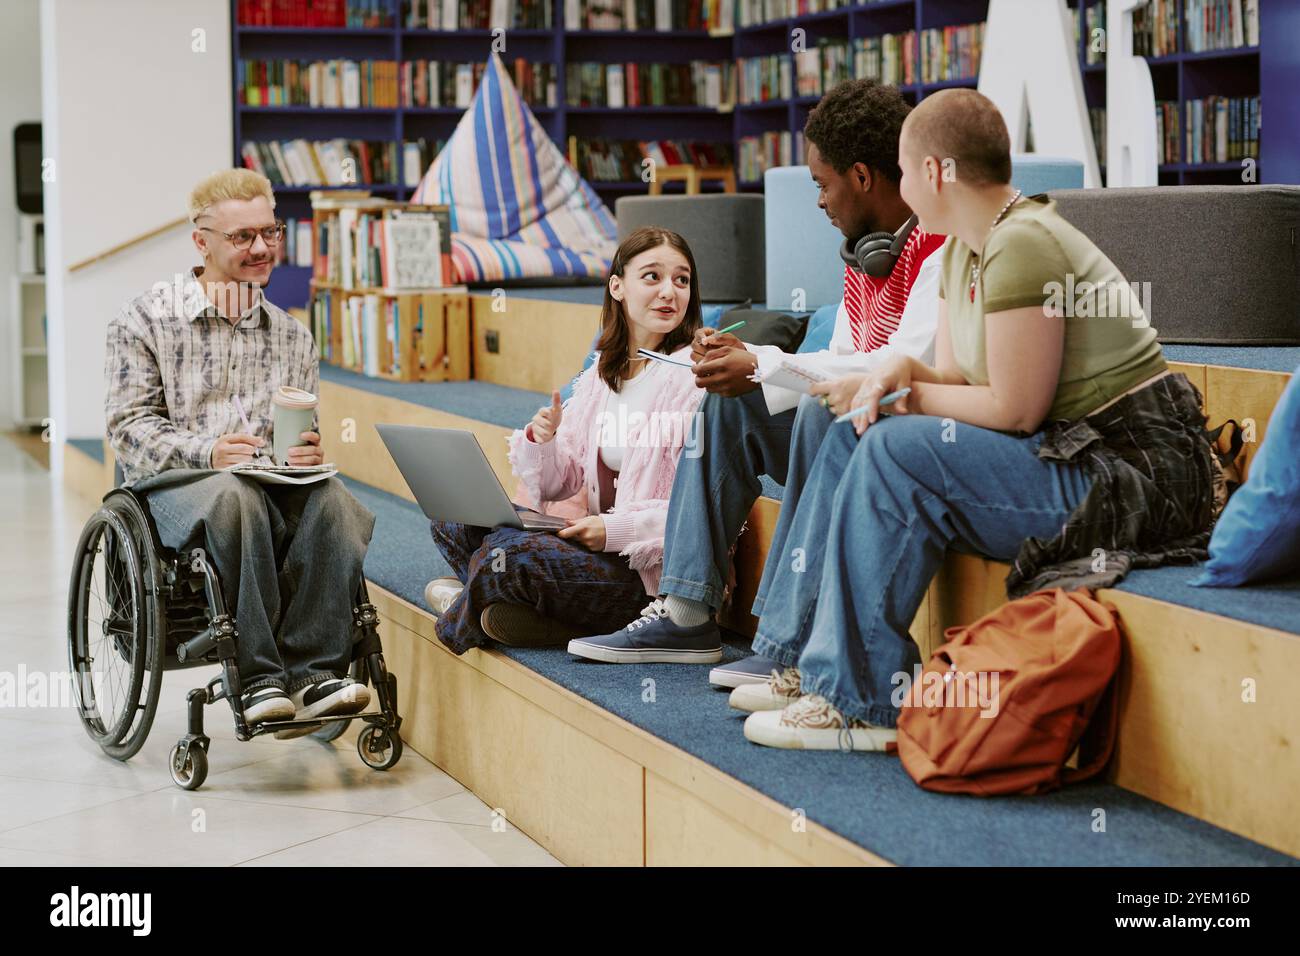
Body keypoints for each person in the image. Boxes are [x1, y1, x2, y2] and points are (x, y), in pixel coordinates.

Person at [736, 88, 1217, 750]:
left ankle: (864, 699)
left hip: (1126, 473)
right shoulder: (962, 248)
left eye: (905, 171)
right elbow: (959, 381)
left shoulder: (1025, 244)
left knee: (892, 445)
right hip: (1062, 454)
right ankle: (802, 658)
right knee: (841, 419)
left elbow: (1015, 411)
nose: (901, 186)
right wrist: (900, 375)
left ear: (936, 173)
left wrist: (902, 398)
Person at [578, 79, 947, 674]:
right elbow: (844, 356)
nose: (821, 203)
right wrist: (749, 362)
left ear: (861, 177)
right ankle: (688, 614)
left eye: (823, 185)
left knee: (818, 411)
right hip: (858, 413)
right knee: (729, 402)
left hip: (909, 428)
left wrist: (765, 364)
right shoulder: (863, 252)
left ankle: (788, 644)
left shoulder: (939, 246)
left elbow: (900, 367)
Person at [104, 169, 374, 738]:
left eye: (269, 232)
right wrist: (209, 451)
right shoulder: (144, 319)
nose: (261, 248)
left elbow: (300, 428)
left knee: (338, 503)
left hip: (268, 482)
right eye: (241, 237)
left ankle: (315, 674)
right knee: (236, 497)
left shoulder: (291, 335)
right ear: (201, 241)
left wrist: (304, 450)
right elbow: (127, 429)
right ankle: (256, 678)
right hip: (170, 487)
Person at [427, 227, 711, 660]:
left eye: (681, 279)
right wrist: (545, 441)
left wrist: (612, 531)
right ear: (617, 286)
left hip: (644, 579)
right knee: (454, 518)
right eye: (652, 276)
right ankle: (501, 600)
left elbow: (702, 509)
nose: (669, 291)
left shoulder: (693, 377)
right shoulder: (603, 374)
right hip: (594, 550)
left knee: (507, 553)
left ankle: (462, 612)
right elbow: (562, 484)